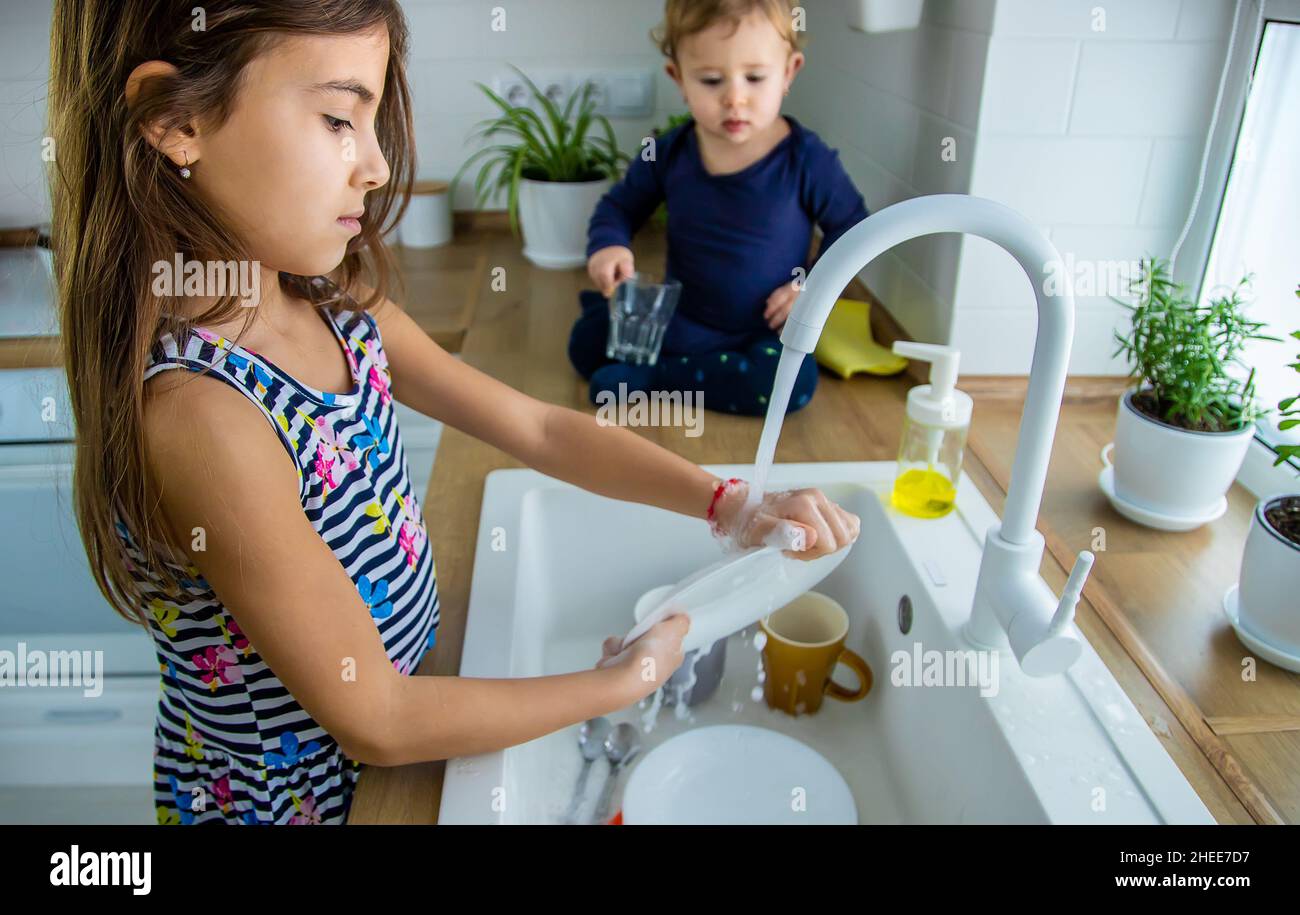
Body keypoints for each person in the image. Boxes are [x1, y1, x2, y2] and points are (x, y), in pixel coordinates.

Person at [47, 0, 862, 824]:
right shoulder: (203, 412)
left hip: (405, 728)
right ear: (174, 120)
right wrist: (626, 679)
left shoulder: (334, 302)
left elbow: (538, 428)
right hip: (308, 807)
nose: (373, 165)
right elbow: (377, 719)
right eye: (338, 118)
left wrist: (729, 503)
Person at [569, 0, 870, 416]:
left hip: (763, 330)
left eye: (755, 78)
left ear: (789, 72)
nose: (735, 99)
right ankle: (680, 370)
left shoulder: (807, 159)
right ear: (679, 79)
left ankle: (655, 382)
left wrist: (812, 289)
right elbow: (619, 207)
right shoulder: (667, 152)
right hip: (681, 320)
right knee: (585, 343)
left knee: (790, 385)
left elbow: (854, 230)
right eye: (711, 80)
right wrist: (609, 246)